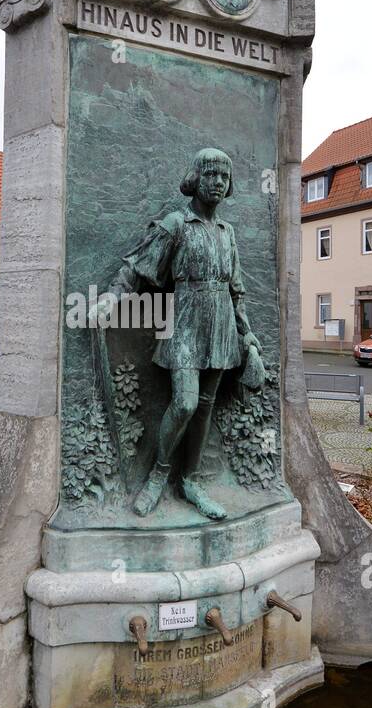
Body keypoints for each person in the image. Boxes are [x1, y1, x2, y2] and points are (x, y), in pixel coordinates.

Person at [95, 148, 262, 519]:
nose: (218, 182)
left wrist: (246, 334)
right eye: (210, 174)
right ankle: (159, 474)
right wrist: (111, 298)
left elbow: (237, 289)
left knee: (204, 408)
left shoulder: (226, 232)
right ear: (195, 179)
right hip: (186, 321)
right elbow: (136, 268)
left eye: (224, 176)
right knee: (185, 402)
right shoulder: (176, 224)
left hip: (220, 326)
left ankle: (190, 481)